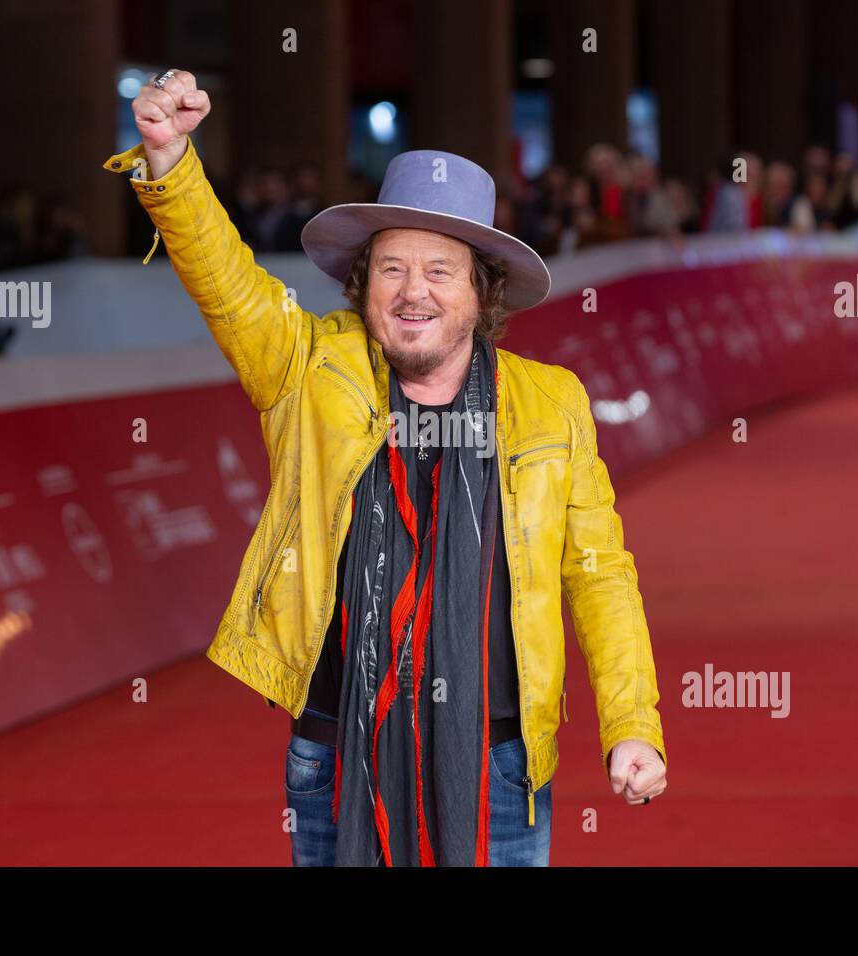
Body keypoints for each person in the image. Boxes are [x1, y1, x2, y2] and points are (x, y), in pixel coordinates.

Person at [106, 68, 668, 867]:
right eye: (393, 268)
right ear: (363, 284)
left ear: (482, 290)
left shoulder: (552, 405)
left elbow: (600, 572)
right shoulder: (307, 370)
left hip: (502, 768)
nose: (414, 293)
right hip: (336, 755)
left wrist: (631, 722)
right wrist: (170, 160)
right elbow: (228, 288)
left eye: (441, 270)